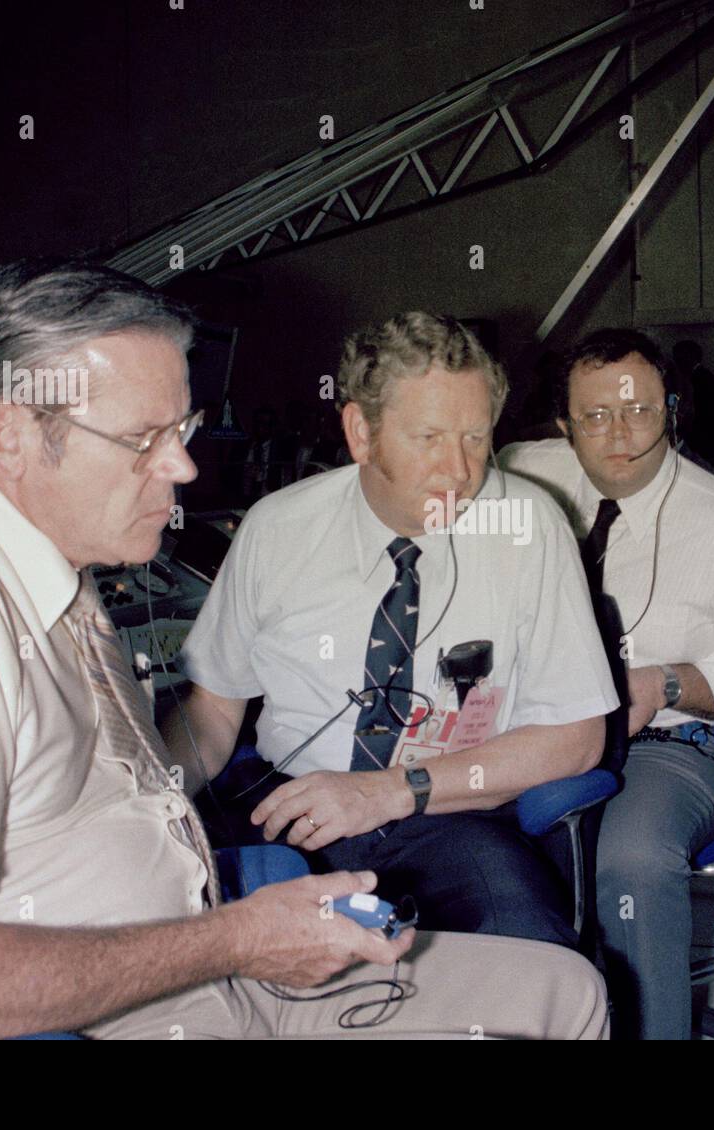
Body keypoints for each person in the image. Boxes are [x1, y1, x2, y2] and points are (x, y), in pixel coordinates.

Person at [0, 261, 609, 1040]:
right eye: (145, 439)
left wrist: (243, 923)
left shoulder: (43, 552)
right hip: (160, 996)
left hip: (213, 954)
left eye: (184, 431)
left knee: (564, 988)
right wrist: (243, 937)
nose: (186, 467)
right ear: (10, 435)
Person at [164, 311, 619, 950]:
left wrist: (388, 792)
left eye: (475, 436)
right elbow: (212, 714)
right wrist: (142, 802)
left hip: (448, 814)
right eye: (429, 437)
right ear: (360, 431)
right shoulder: (277, 530)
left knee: (524, 951)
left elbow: (576, 739)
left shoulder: (529, 526)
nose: (459, 470)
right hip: (284, 810)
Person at [500, 327, 714, 1040]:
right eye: (595, 416)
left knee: (627, 861)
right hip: (537, 725)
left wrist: (661, 684)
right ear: (565, 426)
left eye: (640, 410)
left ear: (672, 410)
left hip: (681, 745)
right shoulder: (524, 474)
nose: (620, 433)